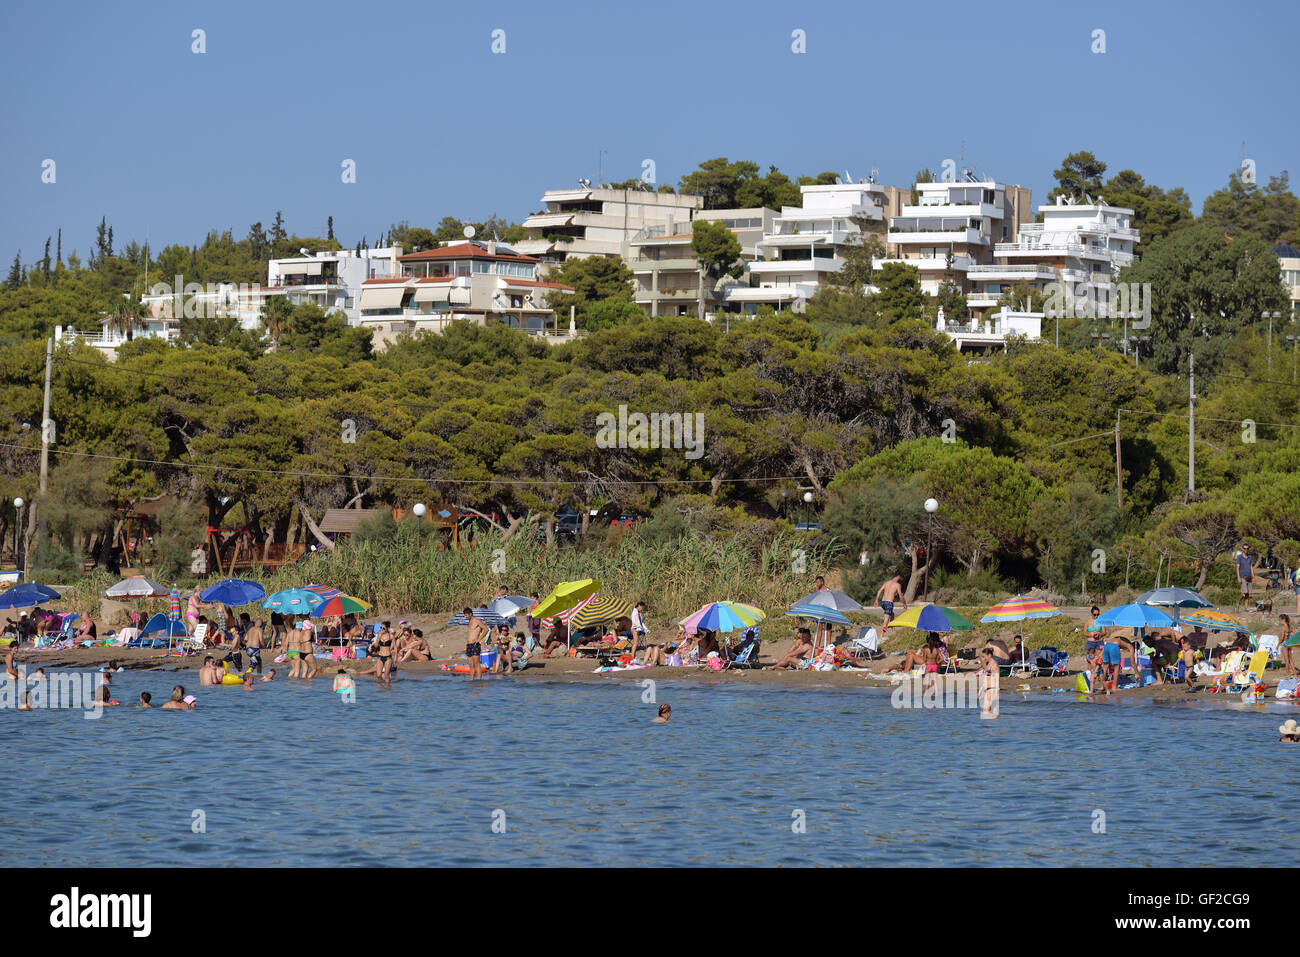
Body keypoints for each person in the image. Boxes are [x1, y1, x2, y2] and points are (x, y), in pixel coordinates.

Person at [463, 608, 488, 680]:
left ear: (471, 614)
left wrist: (479, 639)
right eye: (465, 615)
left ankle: (479, 680)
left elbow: (486, 629)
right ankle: (471, 680)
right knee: (471, 665)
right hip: (469, 645)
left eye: (466, 615)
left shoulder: (477, 620)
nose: (465, 617)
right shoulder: (469, 622)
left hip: (475, 645)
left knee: (477, 664)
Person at [1236, 544, 1254, 611]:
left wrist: (1253, 577)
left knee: (1248, 593)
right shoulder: (1239, 557)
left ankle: (1246, 607)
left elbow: (1251, 567)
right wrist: (1238, 577)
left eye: (1247, 548)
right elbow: (1237, 567)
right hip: (1243, 576)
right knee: (1244, 592)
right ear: (1242, 549)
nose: (1246, 550)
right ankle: (1238, 602)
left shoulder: (1250, 557)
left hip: (1249, 577)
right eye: (1244, 548)